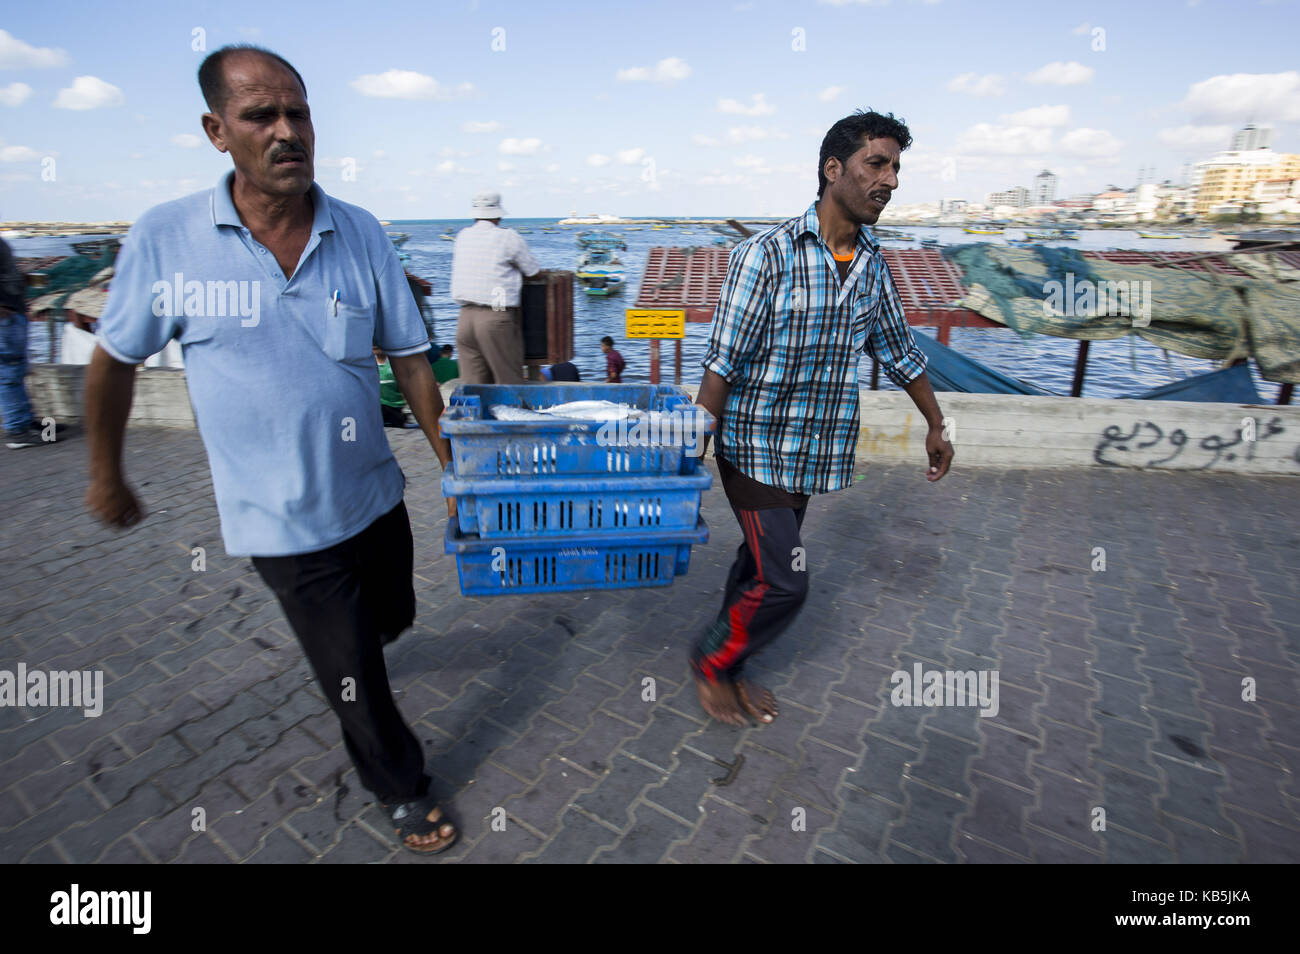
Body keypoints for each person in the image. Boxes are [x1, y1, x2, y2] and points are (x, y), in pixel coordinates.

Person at [83, 45, 459, 855]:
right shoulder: (168, 238)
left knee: (394, 615)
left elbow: (411, 356)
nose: (287, 131)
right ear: (218, 131)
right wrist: (105, 473)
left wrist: (451, 464)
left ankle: (370, 641)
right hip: (280, 520)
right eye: (262, 116)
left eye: (299, 113)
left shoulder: (358, 231)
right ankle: (400, 787)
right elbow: (113, 358)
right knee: (354, 677)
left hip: (373, 492)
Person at [692, 109, 954, 726]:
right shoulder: (767, 255)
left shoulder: (871, 266)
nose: (888, 180)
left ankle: (730, 659)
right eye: (876, 164)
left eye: (895, 168)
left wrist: (936, 423)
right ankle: (712, 662)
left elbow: (897, 349)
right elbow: (724, 355)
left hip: (812, 452)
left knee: (759, 565)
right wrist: (697, 432)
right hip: (753, 445)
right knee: (786, 581)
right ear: (833, 170)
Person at [449, 192, 540, 384]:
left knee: (474, 386)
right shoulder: (507, 237)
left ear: (475, 214)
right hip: (495, 314)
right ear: (498, 214)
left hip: (465, 318)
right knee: (509, 382)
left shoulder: (463, 236)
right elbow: (533, 271)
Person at [1, 236, 49, 450]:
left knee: (16, 370)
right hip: (5, 317)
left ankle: (25, 421)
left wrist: (22, 279)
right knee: (9, 374)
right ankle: (17, 431)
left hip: (12, 313)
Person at [375, 346, 413, 427]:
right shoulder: (367, 364)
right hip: (377, 407)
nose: (375, 345)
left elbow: (406, 386)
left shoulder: (397, 363)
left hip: (396, 406)